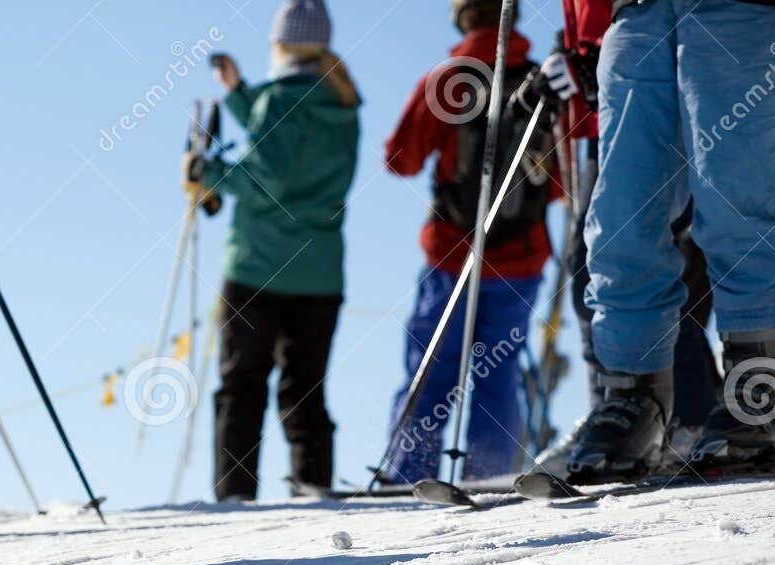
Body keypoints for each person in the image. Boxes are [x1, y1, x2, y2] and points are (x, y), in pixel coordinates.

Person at [574, 0, 775, 476]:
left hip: (739, 8)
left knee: (734, 193)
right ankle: (631, 399)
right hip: (635, 14)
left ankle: (760, 390)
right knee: (621, 212)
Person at [524, 0, 719, 479]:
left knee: (655, 261)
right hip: (602, 116)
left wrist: (586, 59)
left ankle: (687, 415)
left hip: (658, 103)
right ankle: (616, 407)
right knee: (593, 270)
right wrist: (563, 56)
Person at [383, 0, 556, 484]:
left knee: (432, 369)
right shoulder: (542, 81)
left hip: (452, 253)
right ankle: (491, 475)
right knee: (497, 375)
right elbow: (559, 184)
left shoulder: (447, 79)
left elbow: (400, 159)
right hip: (521, 257)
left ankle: (407, 476)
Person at [198, 0, 361, 500]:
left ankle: (235, 494)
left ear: (282, 43)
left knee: (242, 385)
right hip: (319, 275)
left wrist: (205, 174)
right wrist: (240, 94)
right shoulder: (342, 105)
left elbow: (264, 174)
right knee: (305, 388)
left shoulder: (280, 101)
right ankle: (312, 484)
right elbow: (287, 145)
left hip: (258, 268)